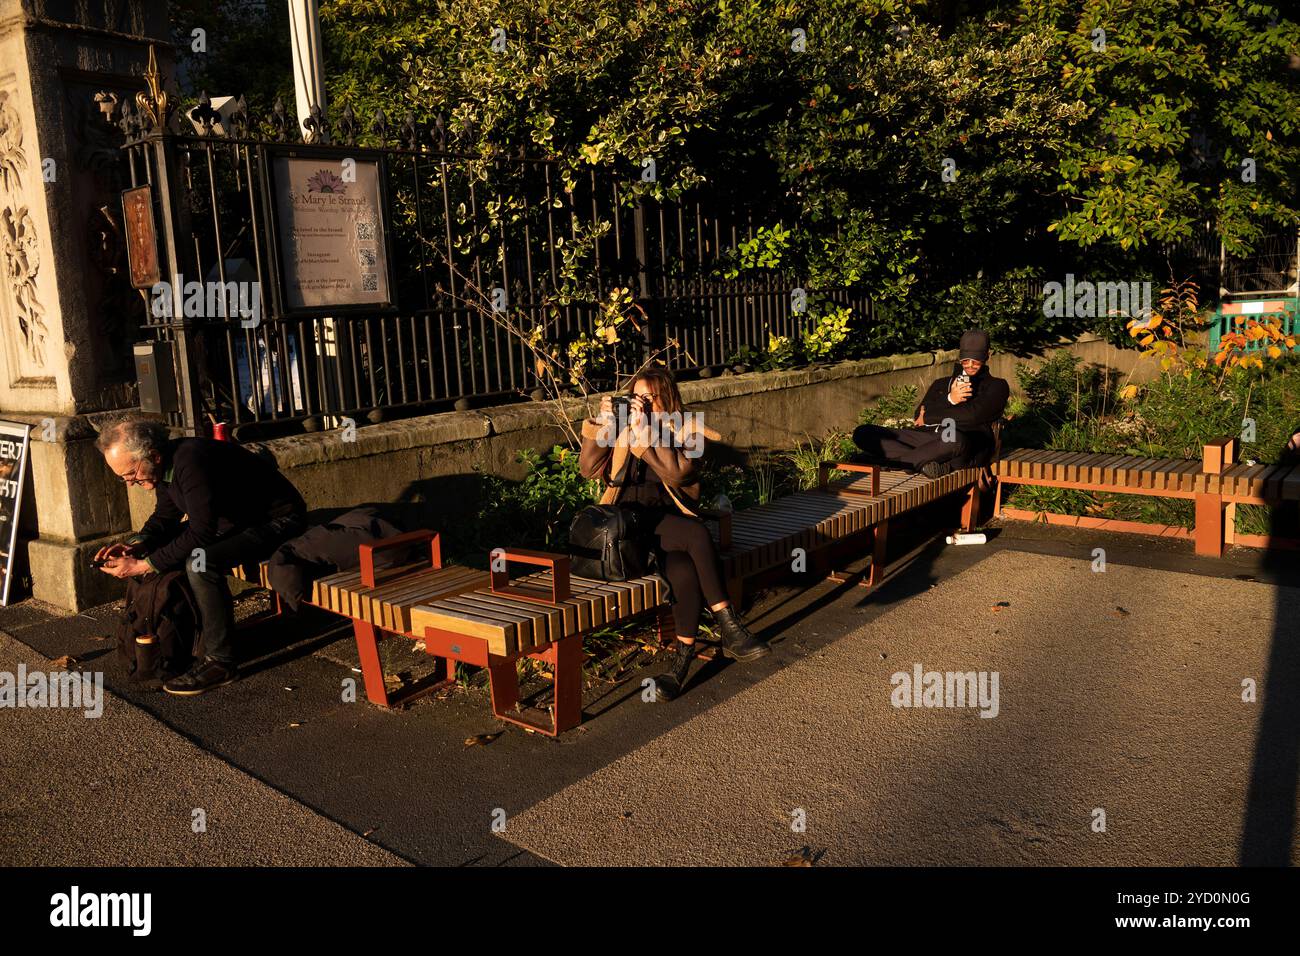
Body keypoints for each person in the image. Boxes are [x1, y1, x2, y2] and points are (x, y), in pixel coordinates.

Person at [578, 365, 770, 701]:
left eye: (647, 398)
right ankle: (730, 627)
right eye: (635, 396)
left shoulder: (687, 430)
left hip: (668, 527)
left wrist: (648, 433)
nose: (639, 403)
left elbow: (679, 474)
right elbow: (587, 469)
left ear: (665, 398)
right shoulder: (620, 428)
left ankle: (679, 666)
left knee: (683, 569)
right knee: (696, 534)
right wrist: (603, 423)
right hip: (628, 531)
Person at [94, 415, 307, 696]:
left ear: (153, 456)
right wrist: (139, 544)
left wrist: (146, 565)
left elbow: (201, 532)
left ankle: (222, 662)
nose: (129, 483)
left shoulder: (190, 462)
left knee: (200, 562)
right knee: (171, 549)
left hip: (279, 520)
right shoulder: (165, 465)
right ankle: (195, 639)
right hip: (235, 521)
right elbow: (166, 515)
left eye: (130, 474)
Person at [852, 328, 1009, 478]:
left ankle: (887, 463)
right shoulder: (941, 384)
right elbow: (918, 415)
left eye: (976, 361)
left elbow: (972, 416)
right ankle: (924, 462)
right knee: (863, 432)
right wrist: (950, 399)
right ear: (959, 358)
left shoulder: (997, 386)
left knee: (953, 437)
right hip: (928, 438)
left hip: (963, 445)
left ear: (987, 356)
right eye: (965, 360)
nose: (970, 366)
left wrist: (928, 417)